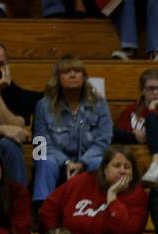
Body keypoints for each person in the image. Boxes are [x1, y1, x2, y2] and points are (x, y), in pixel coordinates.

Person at [31, 56, 113, 203]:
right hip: (56, 163)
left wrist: (83, 162)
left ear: (84, 76)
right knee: (43, 158)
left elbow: (104, 140)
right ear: (57, 78)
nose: (73, 75)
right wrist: (66, 162)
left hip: (88, 161)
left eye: (77, 71)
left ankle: (97, 208)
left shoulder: (99, 104)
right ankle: (42, 209)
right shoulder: (43, 106)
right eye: (66, 71)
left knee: (100, 161)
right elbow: (40, 144)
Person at [0, 40, 43, 187]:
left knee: (10, 144)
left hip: (4, 153)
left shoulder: (19, 95)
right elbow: (7, 129)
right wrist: (1, 130)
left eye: (1, 64)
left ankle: (20, 199)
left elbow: (15, 130)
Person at [113, 69, 158, 185]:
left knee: (152, 119)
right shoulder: (131, 110)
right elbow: (116, 133)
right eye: (150, 88)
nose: (155, 92)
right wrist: (134, 136)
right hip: (131, 160)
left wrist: (152, 108)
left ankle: (155, 166)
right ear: (142, 90)